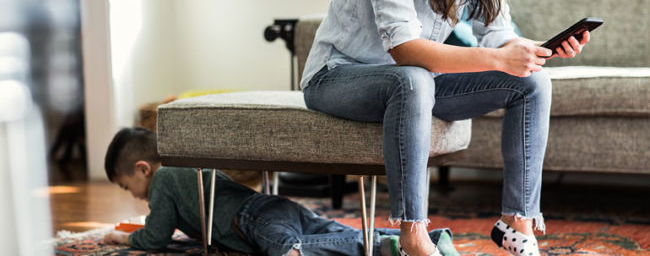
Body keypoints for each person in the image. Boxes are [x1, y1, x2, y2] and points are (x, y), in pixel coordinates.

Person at [300, 0, 591, 256]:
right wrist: (497, 57)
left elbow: (498, 33)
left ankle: (517, 225)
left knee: (532, 83)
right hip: (338, 76)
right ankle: (414, 237)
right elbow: (404, 50)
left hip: (415, 83)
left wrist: (533, 51)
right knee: (414, 79)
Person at [102, 127, 460, 256]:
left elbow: (156, 234)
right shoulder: (184, 169)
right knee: (335, 232)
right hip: (270, 206)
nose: (132, 194)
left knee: (293, 250)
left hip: (250, 220)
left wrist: (125, 240)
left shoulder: (163, 179)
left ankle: (386, 248)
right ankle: (430, 240)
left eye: (126, 186)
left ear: (142, 169)